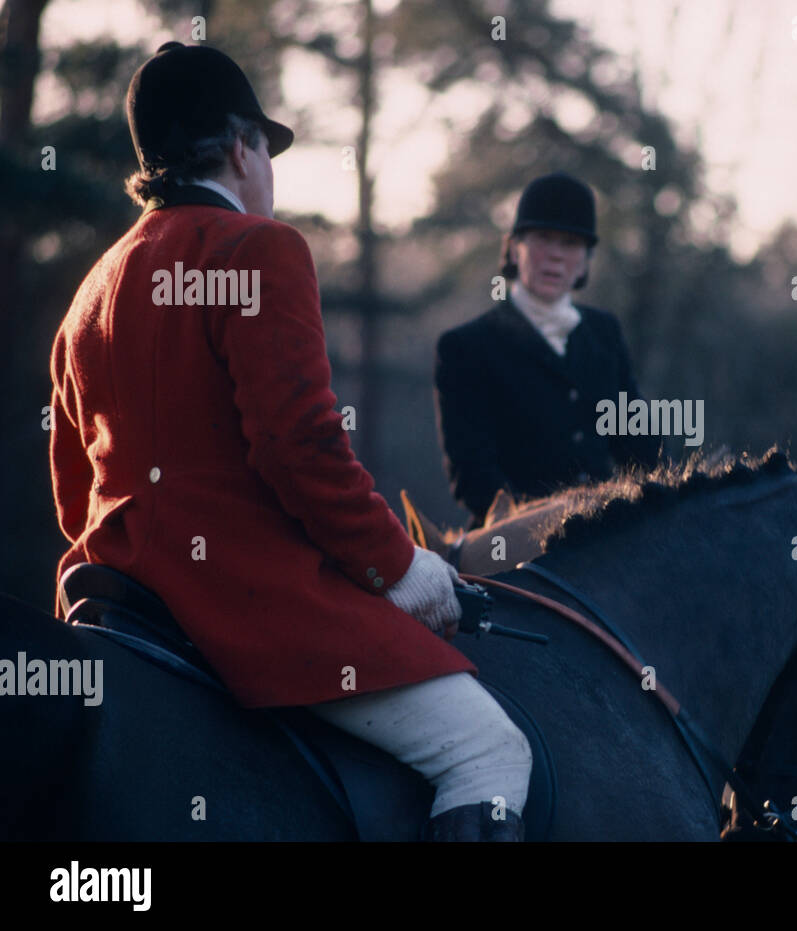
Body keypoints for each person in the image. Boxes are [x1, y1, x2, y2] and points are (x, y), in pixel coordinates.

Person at [48, 42, 529, 841]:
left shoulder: (91, 290)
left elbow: (73, 494)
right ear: (242, 146)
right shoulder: (258, 249)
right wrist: (401, 566)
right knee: (489, 751)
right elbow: (299, 444)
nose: (269, 168)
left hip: (115, 606)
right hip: (251, 610)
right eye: (266, 148)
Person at [435, 172, 661, 529]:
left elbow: (639, 445)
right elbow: (472, 477)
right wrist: (545, 524)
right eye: (543, 238)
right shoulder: (466, 347)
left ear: (585, 260)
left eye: (570, 243)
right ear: (514, 247)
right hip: (515, 545)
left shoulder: (604, 333)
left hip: (604, 533)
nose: (555, 255)